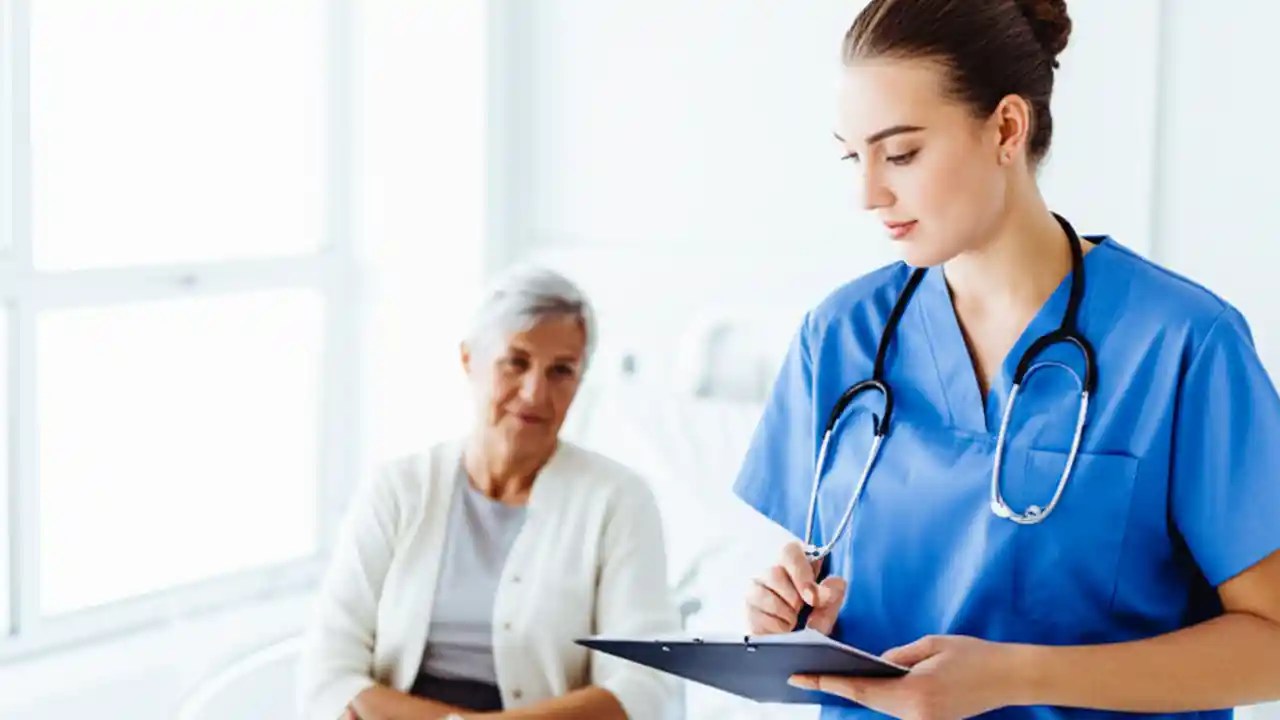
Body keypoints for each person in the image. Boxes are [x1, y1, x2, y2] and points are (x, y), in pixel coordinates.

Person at [736, 1, 1280, 718]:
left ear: (1006, 128)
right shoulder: (840, 336)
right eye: (852, 155)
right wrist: (785, 616)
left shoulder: (1181, 344)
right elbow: (819, 570)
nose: (867, 194)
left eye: (900, 154)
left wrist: (1019, 677)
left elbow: (1271, 644)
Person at [298, 266, 679, 720]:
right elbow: (329, 673)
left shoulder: (619, 501)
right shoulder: (397, 489)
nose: (535, 392)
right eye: (515, 362)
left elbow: (644, 687)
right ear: (468, 361)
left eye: (561, 371)